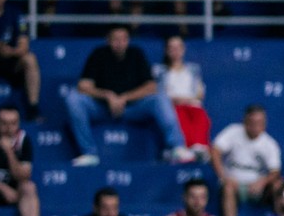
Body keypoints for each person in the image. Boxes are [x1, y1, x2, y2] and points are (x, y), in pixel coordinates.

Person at [64, 24, 191, 167]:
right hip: (103, 108)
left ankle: (176, 147)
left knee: (159, 97)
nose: (119, 43)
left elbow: (151, 86)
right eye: (115, 39)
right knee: (73, 99)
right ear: (108, 40)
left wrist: (124, 98)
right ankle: (88, 153)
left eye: (123, 39)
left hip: (132, 108)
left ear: (128, 40)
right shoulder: (98, 54)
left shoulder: (136, 54)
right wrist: (107, 95)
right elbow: (83, 85)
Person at [211, 104, 284, 216]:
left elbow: (275, 171)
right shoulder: (233, 131)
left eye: (260, 123)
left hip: (258, 185)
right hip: (234, 181)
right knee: (228, 187)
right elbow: (215, 151)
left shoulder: (269, 143)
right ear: (245, 121)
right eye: (252, 122)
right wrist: (223, 176)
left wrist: (262, 182)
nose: (256, 127)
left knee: (279, 185)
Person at [155, 35, 210, 160]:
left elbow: (200, 91)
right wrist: (177, 100)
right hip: (172, 105)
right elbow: (159, 92)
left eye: (178, 47)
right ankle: (182, 148)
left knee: (200, 113)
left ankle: (199, 147)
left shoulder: (193, 69)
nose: (175, 51)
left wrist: (190, 99)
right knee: (178, 113)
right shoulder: (160, 70)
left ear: (183, 49)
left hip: (192, 104)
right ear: (166, 50)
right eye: (171, 48)